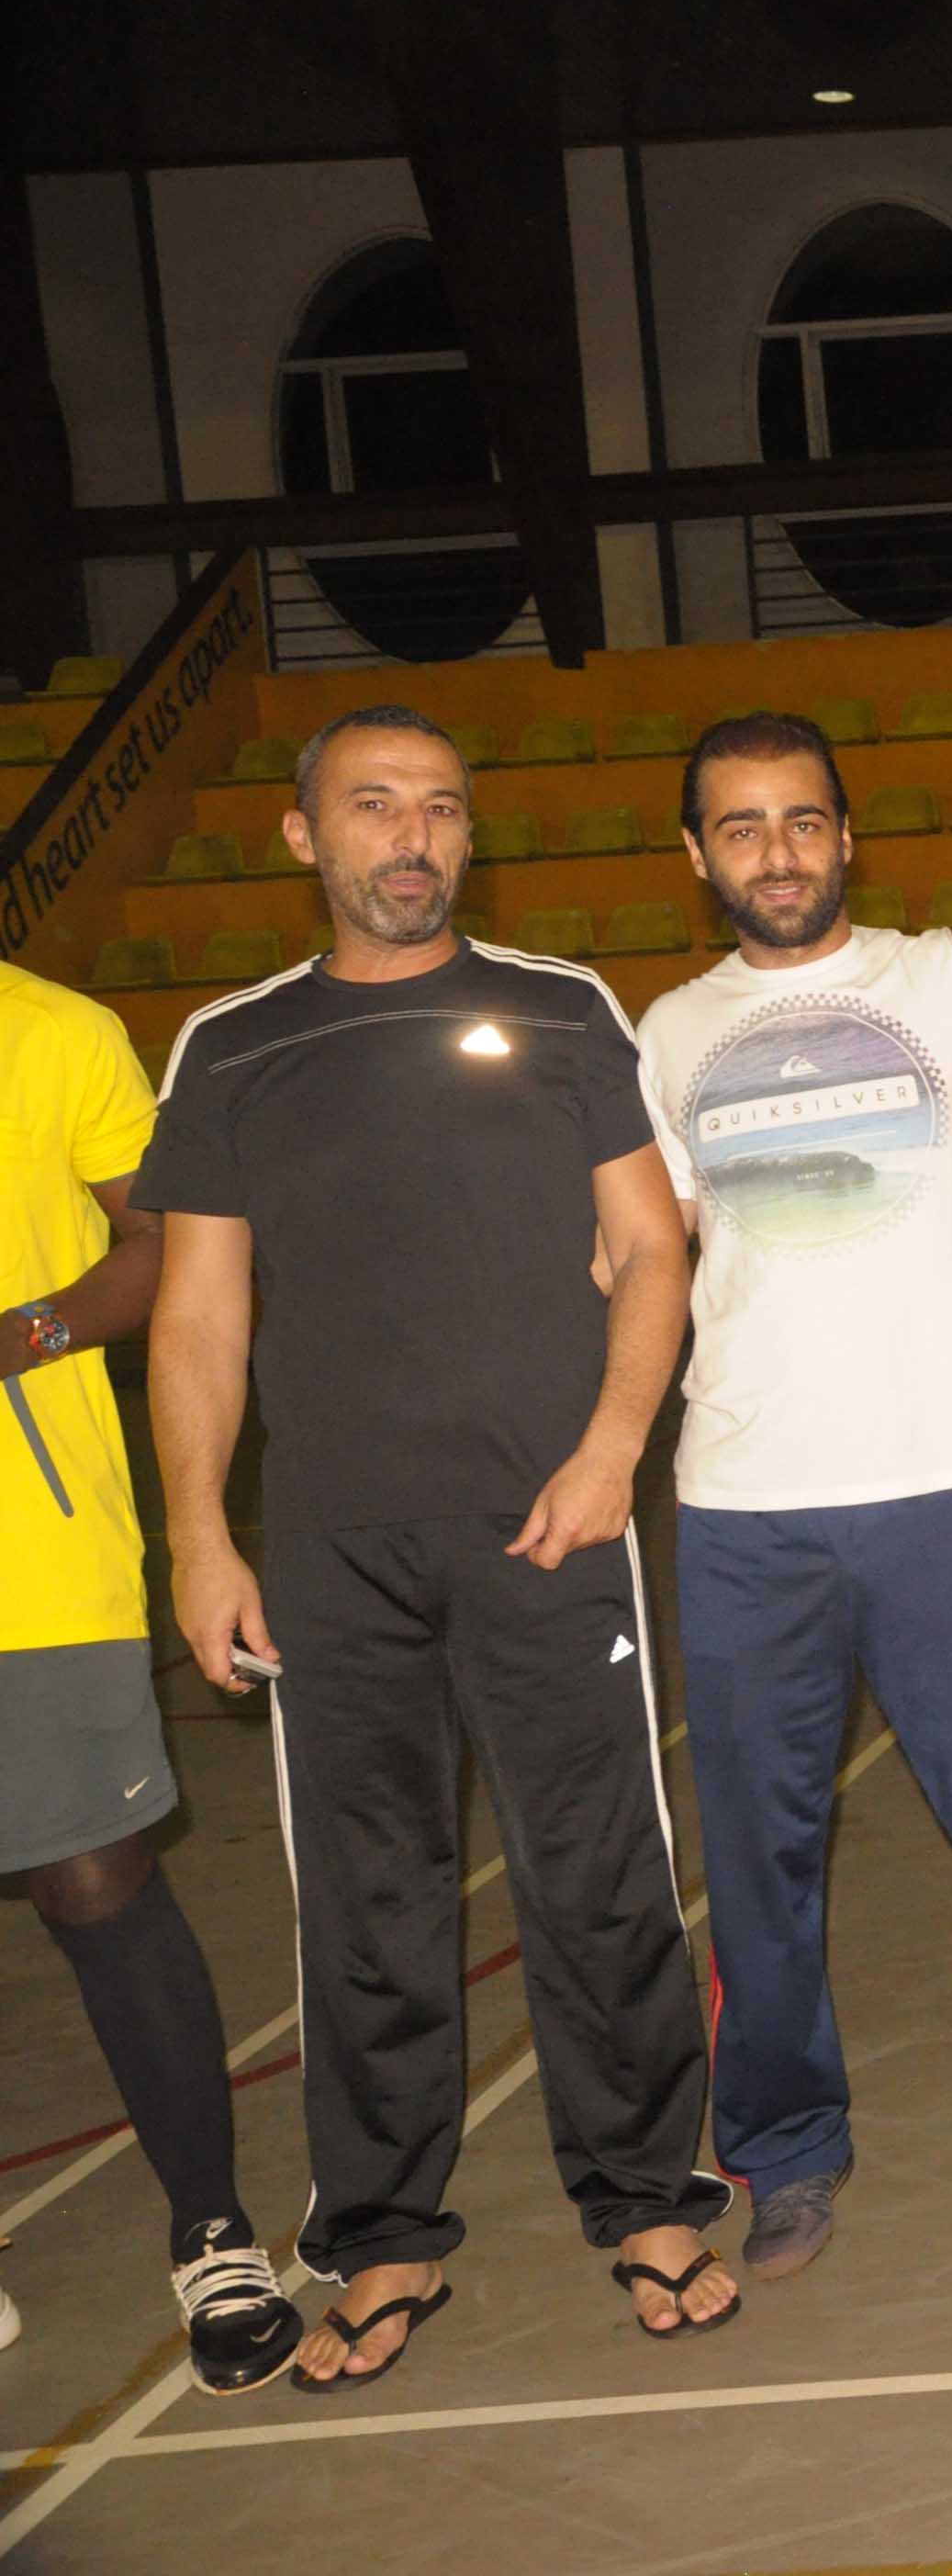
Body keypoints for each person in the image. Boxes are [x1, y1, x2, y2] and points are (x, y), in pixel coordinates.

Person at [140, 706, 734, 2387]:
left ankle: (646, 2193)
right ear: (302, 837)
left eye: (443, 811)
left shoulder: (555, 1010)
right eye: (374, 807)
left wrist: (614, 1450)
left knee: (599, 1872)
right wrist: (199, 1534)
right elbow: (198, 1314)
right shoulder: (233, 1048)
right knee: (365, 1899)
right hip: (329, 1553)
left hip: (548, 1525)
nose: (412, 837)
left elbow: (650, 1246)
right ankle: (384, 2235)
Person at [635, 713, 952, 2284]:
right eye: (743, 826)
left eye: (804, 820)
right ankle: (784, 2153)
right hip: (743, 1500)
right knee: (755, 1856)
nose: (779, 851)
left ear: (850, 835)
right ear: (699, 856)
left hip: (940, 1482)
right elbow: (650, 1253)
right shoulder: (665, 1034)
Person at [0, 962, 298, 2393]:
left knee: (98, 1890)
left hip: (32, 1554)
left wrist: (32, 1332)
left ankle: (212, 2227)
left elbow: (161, 1246)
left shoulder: (55, 1032)